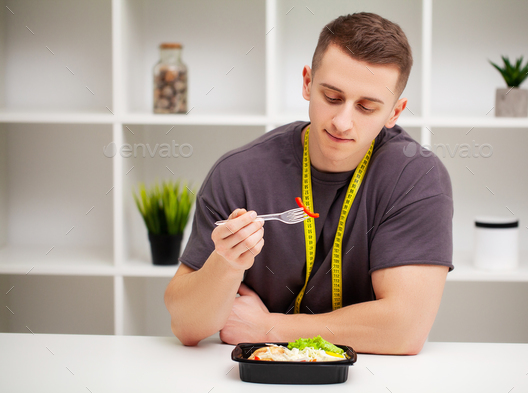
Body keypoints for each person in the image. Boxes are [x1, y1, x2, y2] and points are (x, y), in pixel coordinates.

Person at [164, 12, 453, 355]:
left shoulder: (416, 176)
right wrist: (225, 264)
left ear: (395, 112)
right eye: (332, 97)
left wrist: (270, 328)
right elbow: (186, 327)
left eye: (366, 107)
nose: (343, 122)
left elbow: (405, 329)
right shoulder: (239, 172)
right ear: (306, 82)